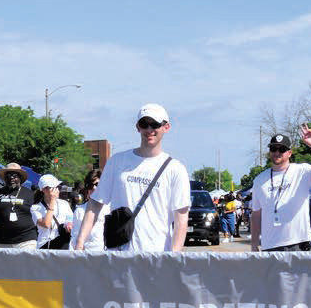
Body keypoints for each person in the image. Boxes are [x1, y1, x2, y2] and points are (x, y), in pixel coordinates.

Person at [75, 103, 191, 252]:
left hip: (156, 256)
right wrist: (80, 242)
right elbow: (95, 204)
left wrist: (173, 257)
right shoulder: (117, 162)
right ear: (138, 127)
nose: (149, 130)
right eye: (144, 124)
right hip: (118, 253)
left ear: (166, 127)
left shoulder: (175, 169)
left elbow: (181, 219)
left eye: (154, 124)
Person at [249, 128, 311, 252]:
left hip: (298, 243)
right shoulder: (259, 180)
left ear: (290, 153)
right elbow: (256, 214)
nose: (277, 152)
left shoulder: (302, 171)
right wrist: (254, 244)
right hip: (270, 245)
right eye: (273, 149)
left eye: (282, 149)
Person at [0, 163, 38, 249]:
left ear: (20, 178)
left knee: (25, 262)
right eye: (8, 175)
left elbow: (38, 213)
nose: (11, 178)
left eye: (14, 176)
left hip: (26, 240)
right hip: (2, 241)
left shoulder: (29, 194)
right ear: (5, 178)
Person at [31, 174, 73, 249]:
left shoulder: (64, 203)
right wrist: (52, 201)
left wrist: (69, 223)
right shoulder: (35, 207)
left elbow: (70, 218)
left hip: (63, 243)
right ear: (44, 189)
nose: (57, 190)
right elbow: (46, 224)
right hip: (45, 245)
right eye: (54, 187)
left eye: (59, 187)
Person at [70, 170, 105, 251]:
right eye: (90, 186)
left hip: (109, 256)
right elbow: (74, 238)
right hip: (88, 256)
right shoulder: (80, 211)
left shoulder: (111, 208)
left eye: (97, 184)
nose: (93, 188)